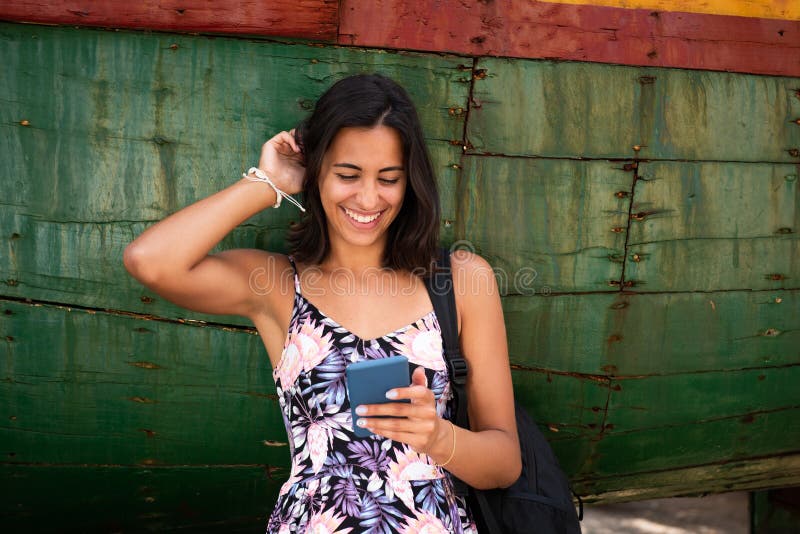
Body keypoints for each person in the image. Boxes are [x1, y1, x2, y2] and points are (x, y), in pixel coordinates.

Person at [123, 73, 521, 533]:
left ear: (410, 182)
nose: (368, 198)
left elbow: (505, 461)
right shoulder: (276, 284)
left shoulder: (461, 279)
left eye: (388, 179)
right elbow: (149, 261)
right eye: (348, 175)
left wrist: (436, 435)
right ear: (317, 173)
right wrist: (269, 182)